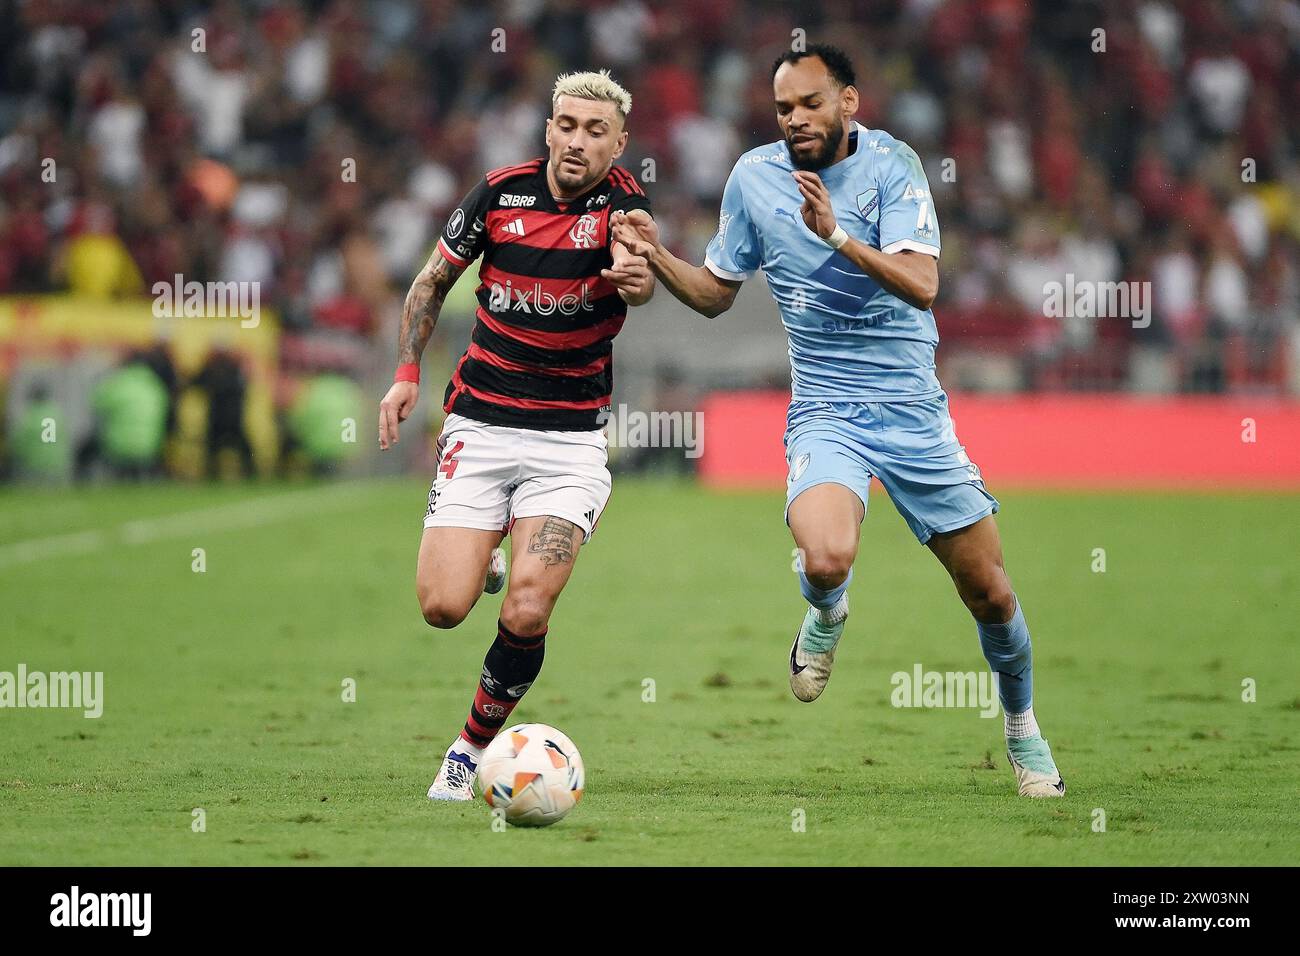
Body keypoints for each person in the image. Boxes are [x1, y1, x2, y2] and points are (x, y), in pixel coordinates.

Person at [613, 45, 1064, 797]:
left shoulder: (894, 167)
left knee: (989, 591)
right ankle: (826, 614)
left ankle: (1024, 730)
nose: (794, 120)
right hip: (827, 410)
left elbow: (923, 284)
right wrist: (655, 253)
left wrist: (835, 237)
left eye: (810, 104)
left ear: (848, 102)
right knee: (824, 556)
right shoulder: (754, 180)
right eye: (783, 108)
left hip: (913, 413)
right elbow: (718, 292)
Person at [377, 70, 656, 801]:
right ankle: (489, 546)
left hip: (567, 443)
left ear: (618, 143)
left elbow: (639, 269)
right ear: (548, 129)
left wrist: (635, 272)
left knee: (528, 607)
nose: (577, 141)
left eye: (596, 131)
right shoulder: (500, 194)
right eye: (567, 125)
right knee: (442, 608)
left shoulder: (622, 202)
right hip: (481, 421)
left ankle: (468, 750)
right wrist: (407, 372)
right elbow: (432, 281)